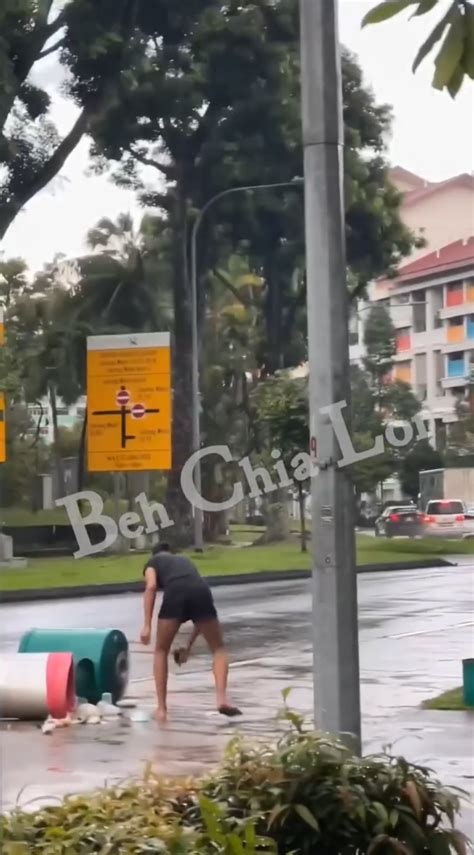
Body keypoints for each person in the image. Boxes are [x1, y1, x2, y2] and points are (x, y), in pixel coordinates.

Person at [140, 542, 241, 723]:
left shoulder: (152, 562)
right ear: (172, 552)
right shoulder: (185, 561)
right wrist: (188, 646)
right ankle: (221, 700)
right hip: (201, 589)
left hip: (176, 592)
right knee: (218, 649)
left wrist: (147, 625)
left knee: (161, 651)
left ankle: (161, 709)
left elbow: (151, 587)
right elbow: (199, 621)